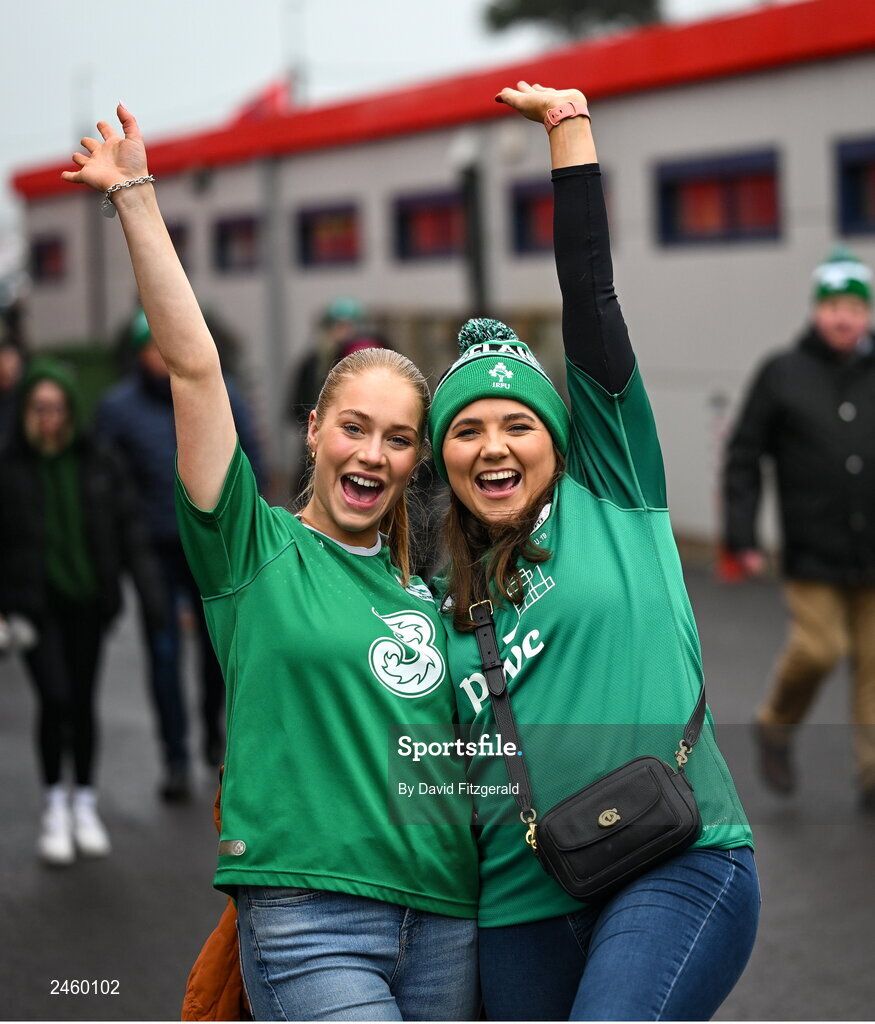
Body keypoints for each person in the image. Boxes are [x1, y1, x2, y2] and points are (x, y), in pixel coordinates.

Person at [63, 105, 479, 1021]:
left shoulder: (439, 588)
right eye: (355, 428)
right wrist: (136, 198)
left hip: (449, 918)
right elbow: (196, 369)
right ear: (314, 432)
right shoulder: (251, 550)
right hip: (309, 919)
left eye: (398, 439)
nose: (372, 454)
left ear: (416, 461)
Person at [426, 82, 759, 1022]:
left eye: (517, 422)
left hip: (675, 856)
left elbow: (589, 293)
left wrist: (568, 131)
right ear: (443, 458)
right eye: (467, 431)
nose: (493, 445)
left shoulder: (612, 488)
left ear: (560, 435)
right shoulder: (431, 594)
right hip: (516, 906)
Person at [723, 247, 875, 810]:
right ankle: (775, 725)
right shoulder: (782, 372)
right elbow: (744, 454)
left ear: (866, 313)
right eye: (833, 305)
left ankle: (872, 775)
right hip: (813, 552)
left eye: (853, 307)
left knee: (873, 665)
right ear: (817, 309)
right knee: (819, 649)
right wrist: (741, 534)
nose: (843, 317)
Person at [96, 307, 265, 800]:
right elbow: (103, 482)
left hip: (211, 547)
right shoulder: (118, 408)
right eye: (152, 348)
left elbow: (248, 455)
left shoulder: (221, 393)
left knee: (218, 650)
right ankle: (173, 755)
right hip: (151, 547)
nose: (162, 357)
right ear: (140, 353)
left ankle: (214, 729)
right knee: (163, 650)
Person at [0, 359, 163, 864]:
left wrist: (151, 598)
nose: (49, 418)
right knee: (56, 699)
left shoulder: (97, 461)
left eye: (58, 408)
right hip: (33, 606)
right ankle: (54, 804)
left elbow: (129, 531)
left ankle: (85, 802)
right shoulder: (10, 468)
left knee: (83, 701)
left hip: (87, 604)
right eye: (39, 408)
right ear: (26, 411)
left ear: (72, 411)